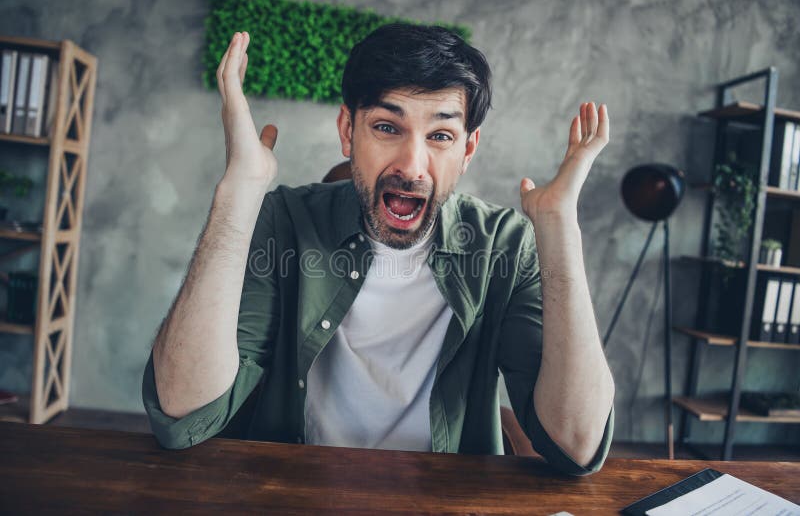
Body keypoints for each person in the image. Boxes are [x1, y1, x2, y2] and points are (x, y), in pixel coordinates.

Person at [142, 23, 615, 476]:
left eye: (441, 136)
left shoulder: (505, 245)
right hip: (289, 495)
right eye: (388, 127)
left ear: (468, 151)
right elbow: (182, 413)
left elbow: (576, 445)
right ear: (348, 130)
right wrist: (238, 191)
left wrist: (559, 229)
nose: (412, 165)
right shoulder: (284, 220)